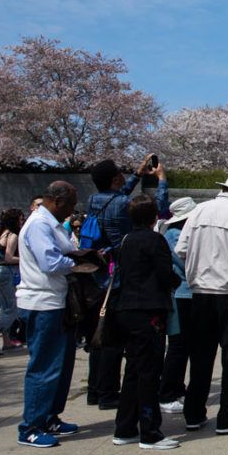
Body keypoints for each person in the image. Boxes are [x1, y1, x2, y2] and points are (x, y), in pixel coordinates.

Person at [175, 171, 228, 435]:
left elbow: (181, 249)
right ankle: (227, 416)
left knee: (200, 355)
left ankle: (194, 413)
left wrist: (196, 269)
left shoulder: (199, 211)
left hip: (199, 291)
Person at [84, 156, 168, 410]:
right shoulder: (122, 204)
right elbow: (158, 210)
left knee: (99, 333)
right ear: (113, 178)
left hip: (98, 275)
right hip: (119, 276)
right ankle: (109, 392)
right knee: (114, 338)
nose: (123, 176)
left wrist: (137, 175)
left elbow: (118, 196)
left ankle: (95, 389)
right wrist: (161, 181)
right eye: (120, 173)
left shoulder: (94, 200)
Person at [111, 195, 181, 450]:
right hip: (149, 310)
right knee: (149, 371)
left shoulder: (127, 240)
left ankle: (125, 426)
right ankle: (149, 431)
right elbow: (164, 274)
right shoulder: (155, 240)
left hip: (127, 309)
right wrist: (175, 282)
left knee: (133, 370)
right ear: (154, 217)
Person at [15, 181, 81, 447]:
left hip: (55, 300)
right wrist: (77, 262)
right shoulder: (40, 224)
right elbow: (50, 261)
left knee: (61, 364)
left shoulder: (50, 222)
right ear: (57, 200)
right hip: (42, 302)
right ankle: (30, 426)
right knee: (44, 366)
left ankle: (49, 415)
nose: (72, 210)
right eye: (71, 204)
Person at [158, 197, 197, 415]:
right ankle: (167, 392)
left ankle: (176, 387)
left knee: (184, 345)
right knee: (178, 346)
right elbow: (184, 262)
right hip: (181, 293)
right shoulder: (174, 235)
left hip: (187, 293)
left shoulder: (179, 232)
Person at [0, 208, 25, 355]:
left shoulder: (1, 233)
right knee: (11, 310)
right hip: (8, 272)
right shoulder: (13, 235)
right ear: (14, 220)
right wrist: (27, 259)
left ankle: (7, 341)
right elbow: (9, 257)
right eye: (21, 219)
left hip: (0, 273)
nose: (22, 222)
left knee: (5, 308)